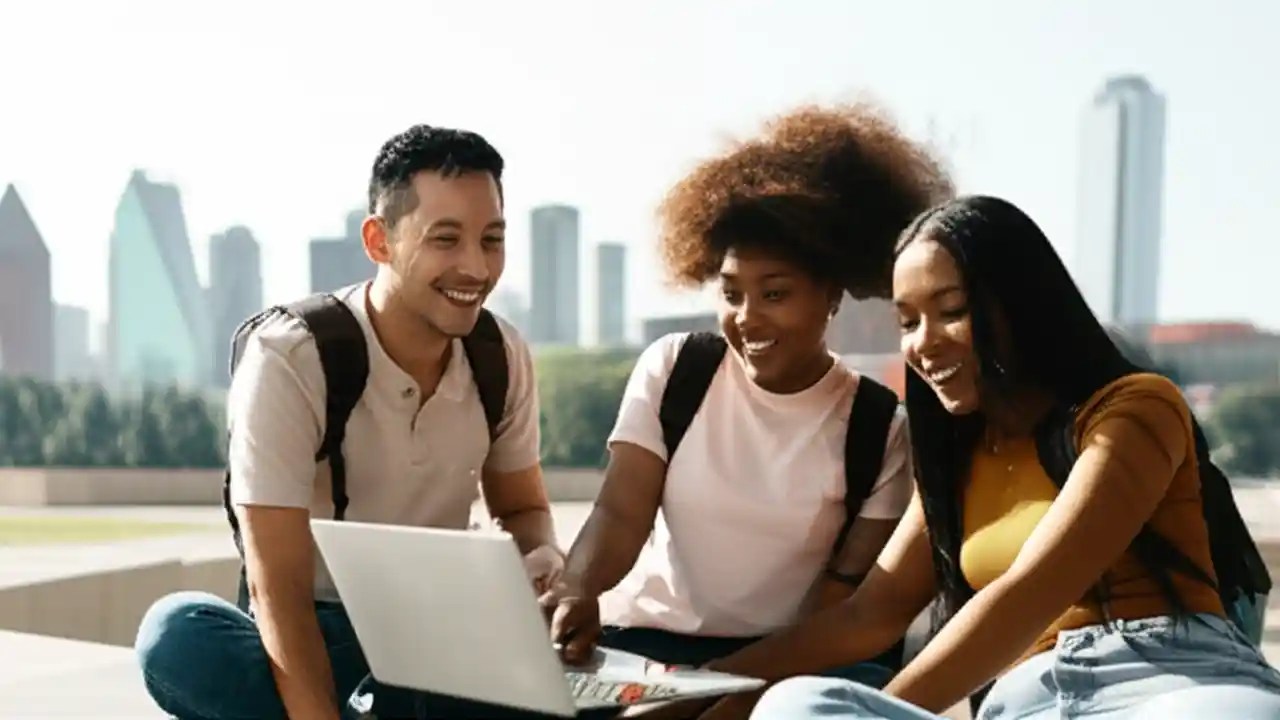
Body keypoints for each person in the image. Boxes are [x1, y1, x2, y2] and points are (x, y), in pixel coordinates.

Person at [688, 195, 1280, 719]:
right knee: (797, 706)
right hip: (1029, 701)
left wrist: (886, 713)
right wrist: (702, 690)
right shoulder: (955, 462)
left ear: (1019, 304)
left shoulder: (1135, 410)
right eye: (908, 321)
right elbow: (867, 617)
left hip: (1173, 682)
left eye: (951, 310)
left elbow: (1034, 589)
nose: (924, 342)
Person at [134, 124, 565, 720]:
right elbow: (276, 590)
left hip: (445, 636)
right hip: (321, 628)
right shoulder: (291, 356)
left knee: (601, 673)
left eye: (492, 239)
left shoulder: (501, 354)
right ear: (379, 240)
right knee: (176, 635)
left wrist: (542, 556)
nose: (475, 266)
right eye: (446, 239)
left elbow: (522, 509)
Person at [541, 103, 953, 719]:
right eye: (731, 293)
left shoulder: (877, 428)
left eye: (775, 293)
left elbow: (835, 607)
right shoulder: (676, 369)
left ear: (832, 295)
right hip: (647, 645)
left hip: (786, 658)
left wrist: (724, 695)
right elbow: (620, 514)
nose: (747, 317)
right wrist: (576, 588)